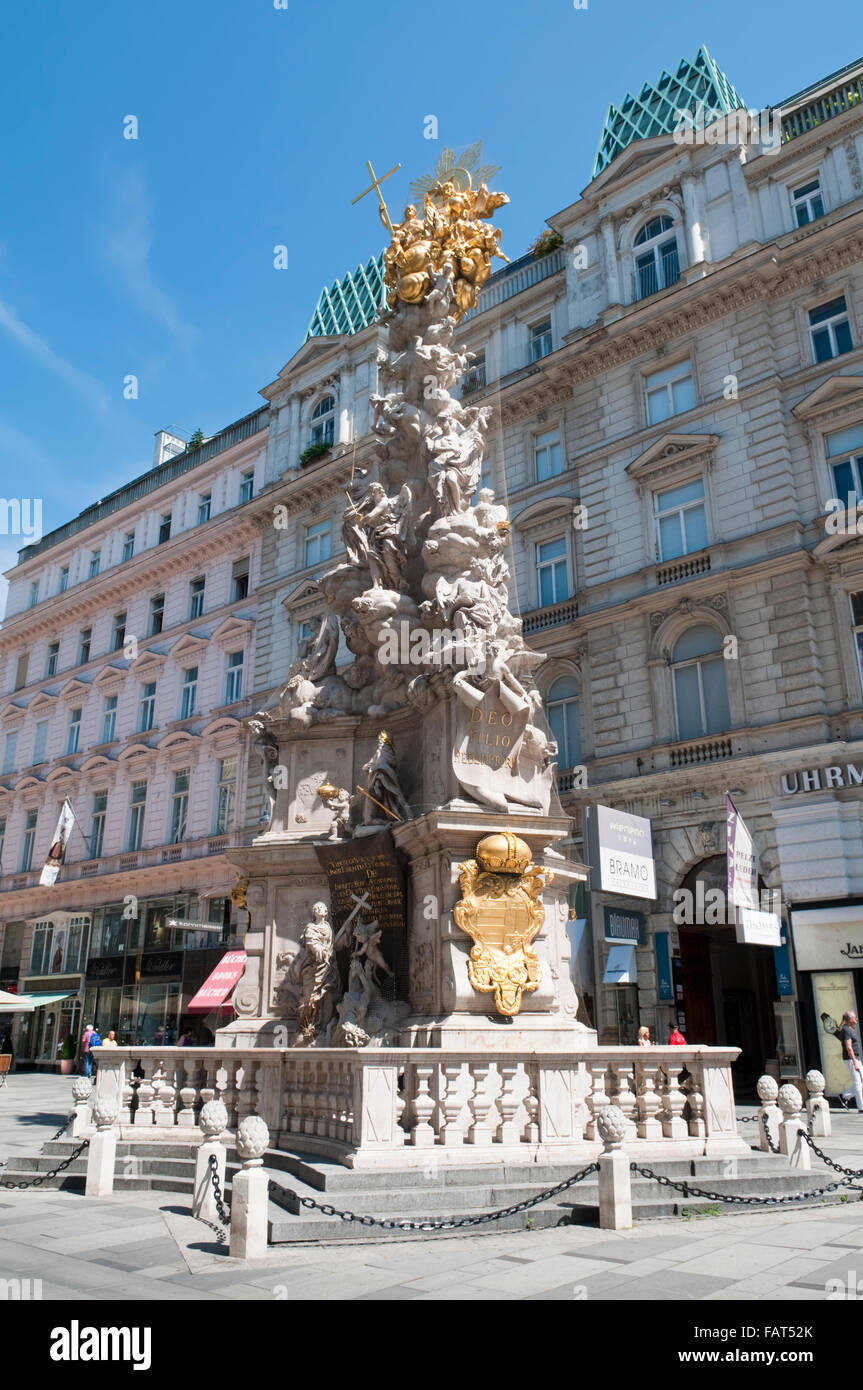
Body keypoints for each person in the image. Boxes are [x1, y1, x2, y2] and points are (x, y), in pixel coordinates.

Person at [837, 1011, 863, 1112]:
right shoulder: (846, 1030)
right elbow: (849, 1047)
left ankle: (844, 1096)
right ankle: (861, 1107)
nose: (856, 1019)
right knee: (857, 1082)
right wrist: (855, 1062)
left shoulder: (849, 1029)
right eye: (854, 1018)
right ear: (849, 1020)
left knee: (861, 1082)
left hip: (855, 1058)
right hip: (851, 1059)